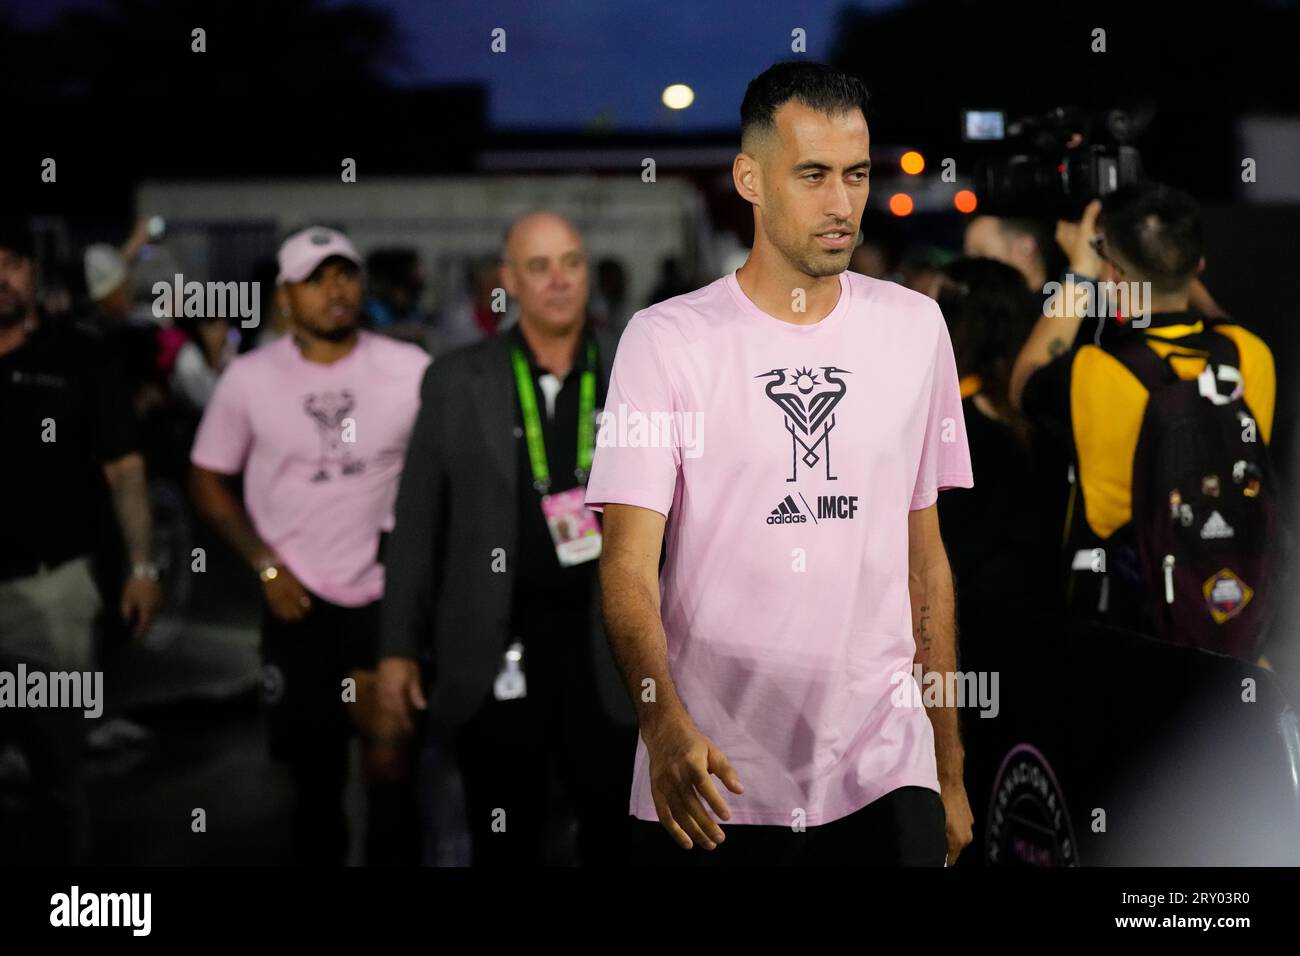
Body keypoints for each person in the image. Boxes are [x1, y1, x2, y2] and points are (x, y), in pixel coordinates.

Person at [585, 61, 975, 867]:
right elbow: (627, 565)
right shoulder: (666, 340)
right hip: (718, 774)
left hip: (884, 764)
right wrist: (659, 722)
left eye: (857, 175)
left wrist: (947, 762)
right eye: (814, 175)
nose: (842, 205)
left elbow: (925, 560)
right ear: (750, 179)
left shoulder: (916, 328)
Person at [378, 210, 638, 867]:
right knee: (504, 837)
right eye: (539, 266)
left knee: (616, 836)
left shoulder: (636, 371)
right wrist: (399, 649)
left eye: (571, 263)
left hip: (608, 650)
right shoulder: (456, 380)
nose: (559, 281)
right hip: (494, 648)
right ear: (508, 281)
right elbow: (416, 524)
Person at [189, 226, 429, 865]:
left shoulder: (408, 370)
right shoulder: (248, 379)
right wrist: (265, 567)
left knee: (391, 773)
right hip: (296, 605)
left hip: (384, 599)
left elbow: (451, 468)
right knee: (314, 786)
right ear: (285, 297)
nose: (336, 289)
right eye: (316, 279)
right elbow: (207, 478)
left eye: (345, 274)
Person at [1012, 183, 1276, 645]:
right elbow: (1217, 318)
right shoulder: (1252, 356)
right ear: (1198, 267)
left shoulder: (1096, 371)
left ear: (1111, 275)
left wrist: (1080, 271)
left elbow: (1024, 380)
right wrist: (1166, 258)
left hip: (1132, 620)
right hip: (1235, 615)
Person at [0, 218, 162, 863]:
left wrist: (144, 567)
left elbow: (125, 469)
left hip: (54, 590)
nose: (1, 278)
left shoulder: (82, 359)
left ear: (35, 275)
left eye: (11, 263)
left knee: (56, 770)